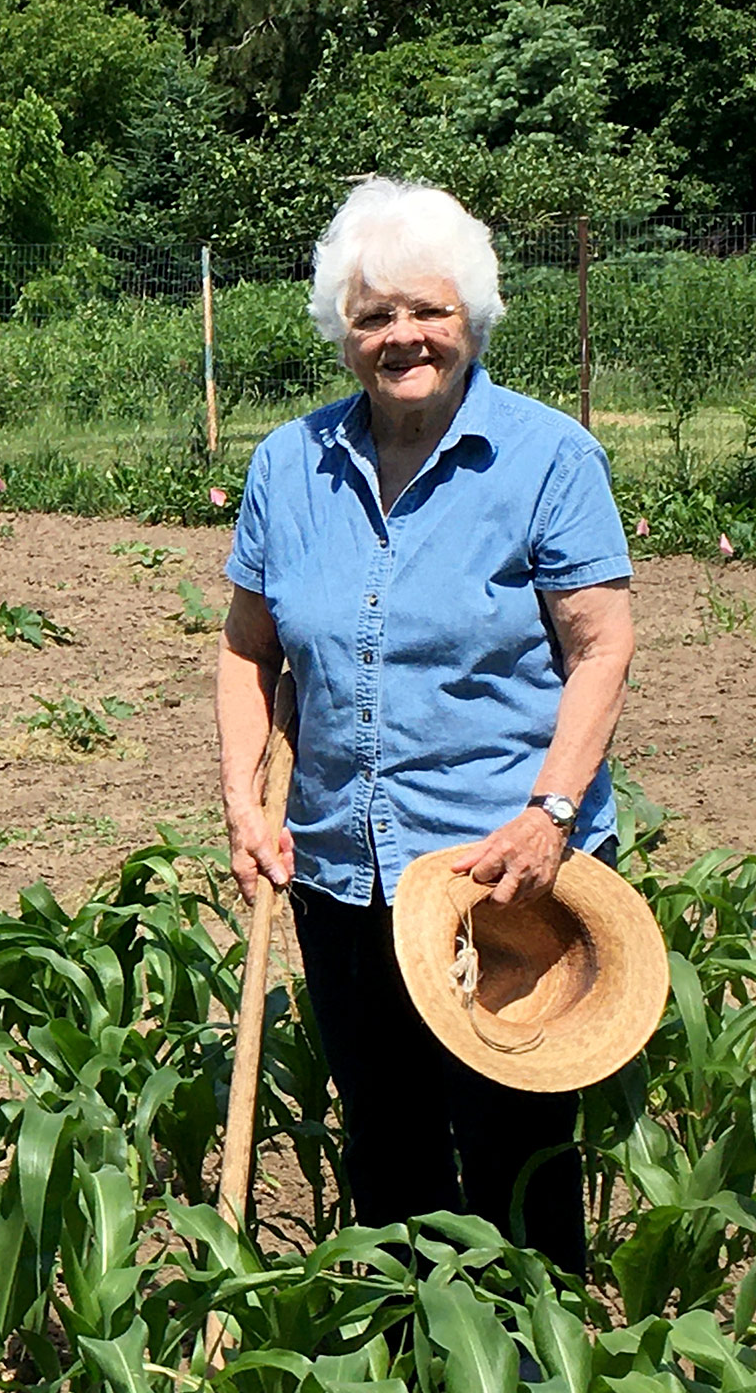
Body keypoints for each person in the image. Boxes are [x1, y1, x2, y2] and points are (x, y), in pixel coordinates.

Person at [215, 177, 635, 1274]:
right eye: (372, 316)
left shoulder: (548, 459)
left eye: (427, 311)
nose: (402, 336)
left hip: (501, 879)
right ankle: (412, 1355)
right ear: (341, 334)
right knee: (390, 1159)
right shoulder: (287, 465)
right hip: (345, 879)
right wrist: (239, 803)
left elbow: (600, 647)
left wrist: (549, 816)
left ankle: (531, 1360)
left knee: (513, 1161)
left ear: (472, 316)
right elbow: (247, 649)